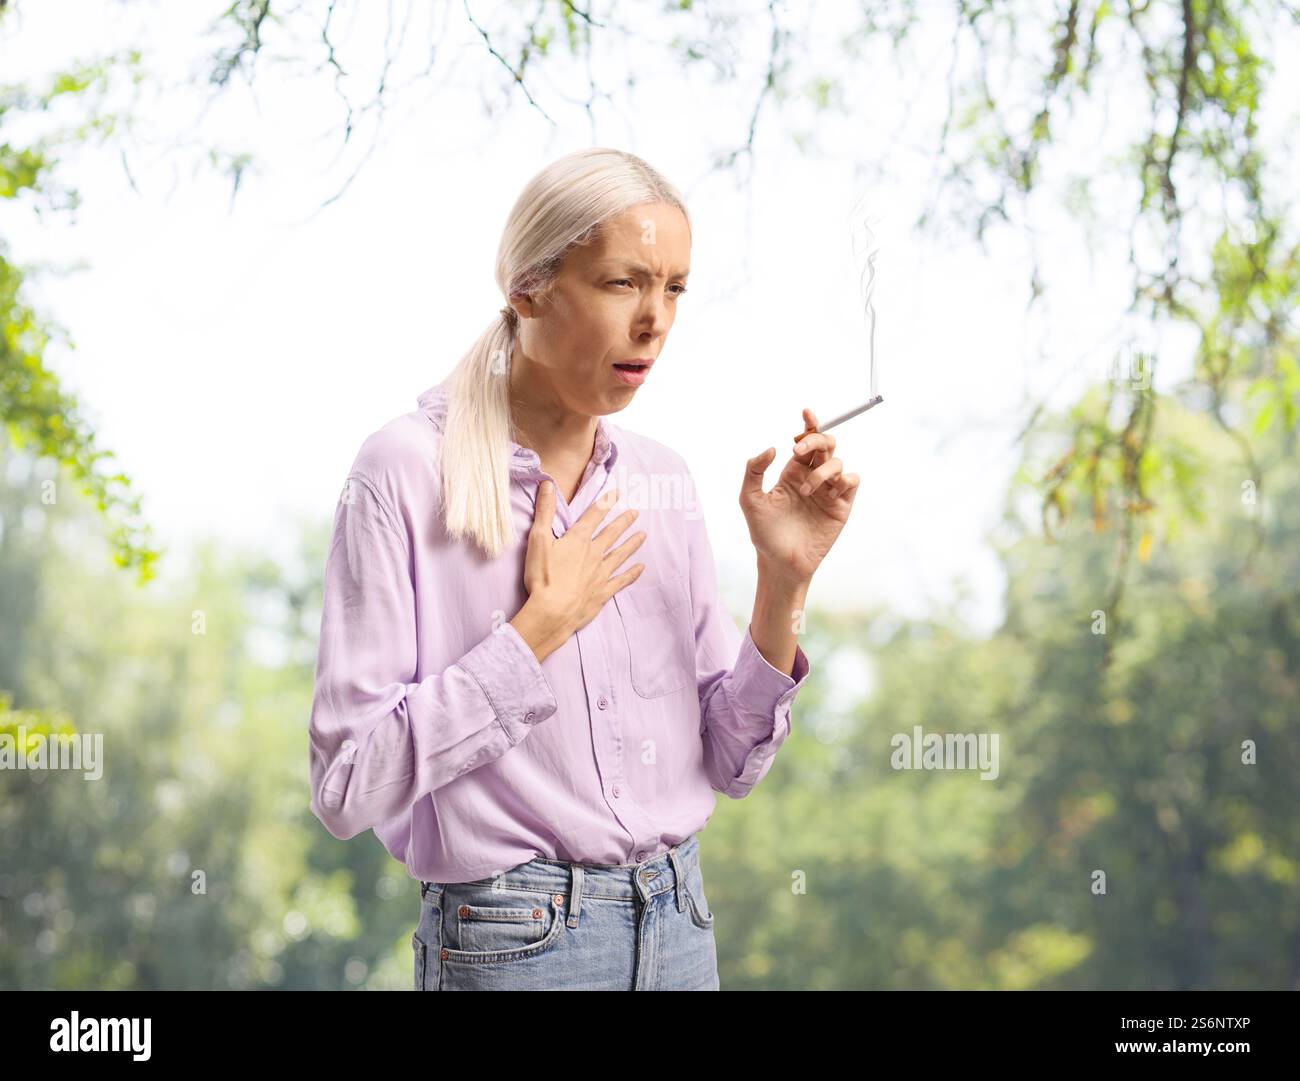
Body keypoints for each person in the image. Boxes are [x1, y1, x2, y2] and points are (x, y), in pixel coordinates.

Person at [308, 147, 861, 990]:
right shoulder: (402, 471)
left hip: (682, 925)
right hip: (513, 943)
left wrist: (784, 582)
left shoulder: (663, 481)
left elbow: (730, 759)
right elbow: (347, 785)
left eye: (674, 287)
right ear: (528, 288)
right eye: (622, 283)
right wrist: (534, 635)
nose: (656, 321)